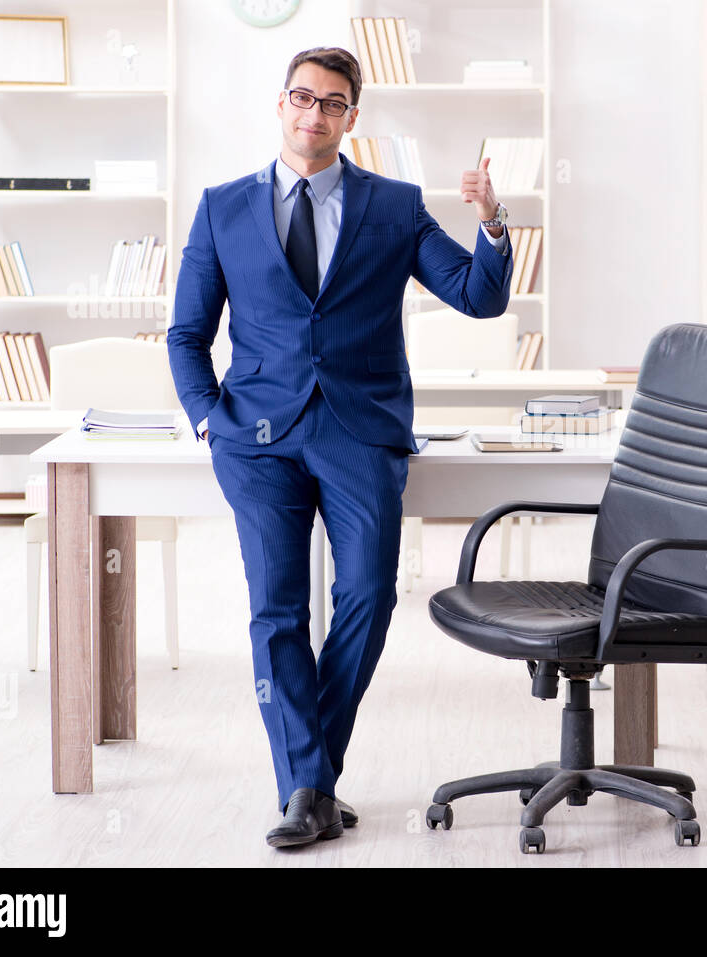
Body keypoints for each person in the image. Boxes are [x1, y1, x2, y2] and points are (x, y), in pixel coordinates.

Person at [166, 46, 514, 848]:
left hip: (360, 431)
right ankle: (306, 786)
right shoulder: (222, 208)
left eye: (332, 103)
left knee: (368, 592)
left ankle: (310, 778)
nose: (313, 113)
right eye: (301, 97)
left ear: (352, 118)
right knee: (276, 608)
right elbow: (187, 335)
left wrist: (492, 223)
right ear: (279, 105)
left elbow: (478, 297)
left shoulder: (393, 205)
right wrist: (207, 416)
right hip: (256, 438)